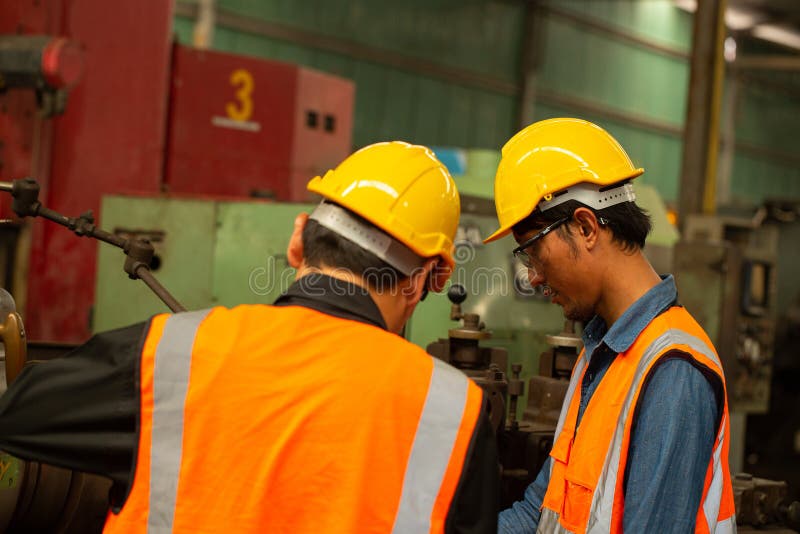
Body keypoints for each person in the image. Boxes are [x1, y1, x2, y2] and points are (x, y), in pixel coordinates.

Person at [0, 141, 499, 533]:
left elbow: (16, 414)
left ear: (298, 239)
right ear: (418, 281)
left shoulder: (171, 356)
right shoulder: (452, 413)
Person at [483, 118, 735, 533]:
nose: (533, 277)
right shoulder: (600, 354)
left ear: (585, 227)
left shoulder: (671, 372)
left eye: (533, 252)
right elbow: (540, 513)